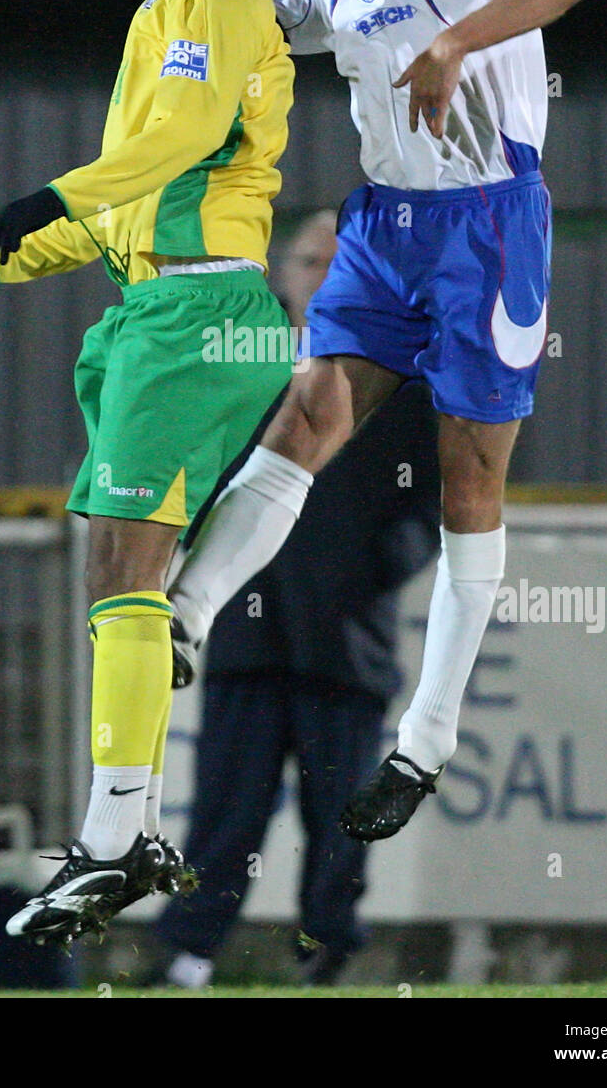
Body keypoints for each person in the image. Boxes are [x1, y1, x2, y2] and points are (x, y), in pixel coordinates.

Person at [166, 0, 592, 843]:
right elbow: (254, 32)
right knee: (306, 417)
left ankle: (427, 741)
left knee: (468, 482)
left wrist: (453, 41)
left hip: (489, 221)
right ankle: (184, 613)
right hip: (383, 222)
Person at [0, 0, 296, 943]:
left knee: (122, 567)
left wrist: (50, 196)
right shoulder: (173, 12)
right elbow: (136, 201)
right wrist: (1, 257)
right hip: (160, 310)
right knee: (125, 575)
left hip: (195, 317)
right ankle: (139, 824)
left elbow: (179, 140)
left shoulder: (217, 0)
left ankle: (111, 840)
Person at [149, 211, 440, 988]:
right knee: (225, 810)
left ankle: (328, 949)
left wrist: (366, 571)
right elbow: (196, 468)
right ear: (280, 271)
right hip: (248, 636)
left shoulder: (404, 376)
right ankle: (189, 952)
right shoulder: (239, 364)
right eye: (312, 260)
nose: (322, 274)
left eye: (339, 262)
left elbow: (435, 502)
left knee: (341, 816)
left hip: (346, 643)